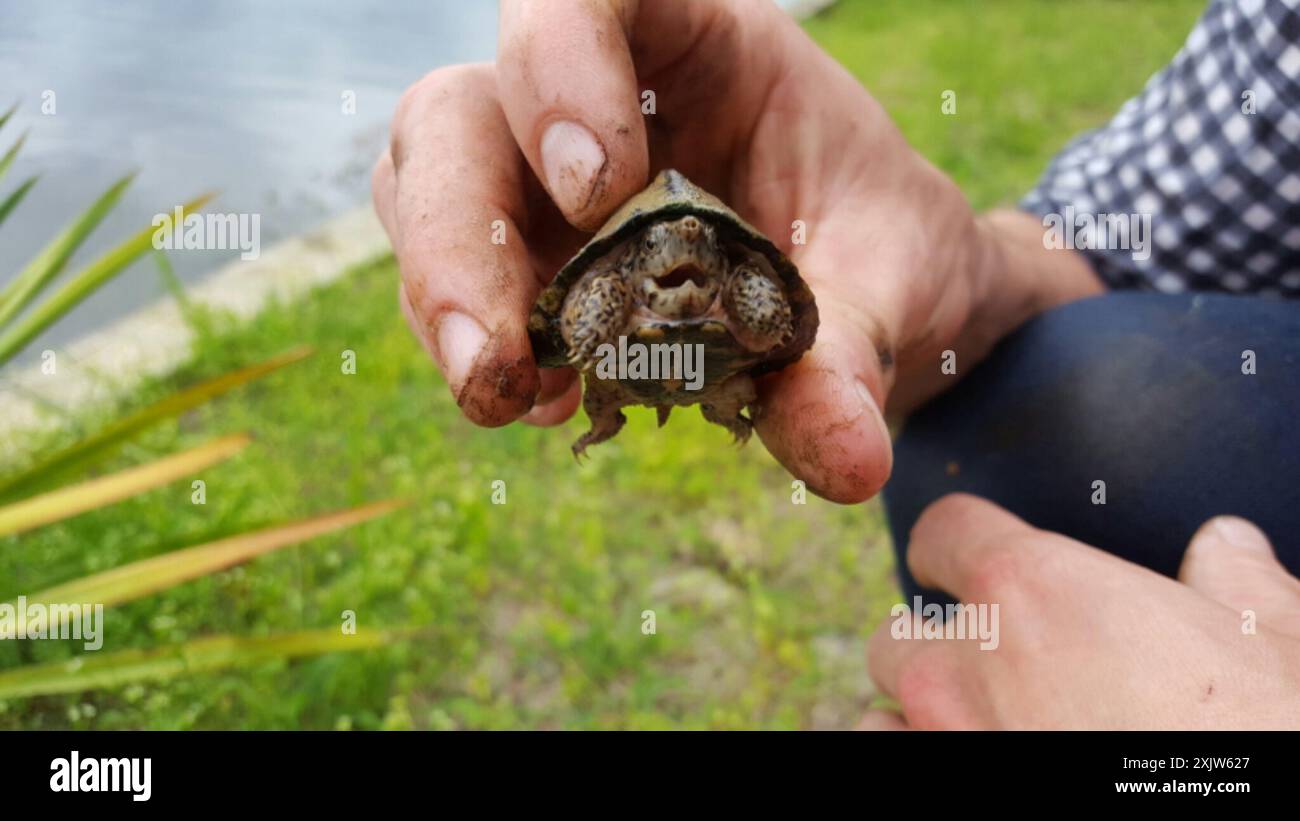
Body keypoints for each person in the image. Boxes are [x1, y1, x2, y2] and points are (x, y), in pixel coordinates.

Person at [371, 0, 1300, 728]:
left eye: (701, 247)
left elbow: (774, 315)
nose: (683, 254)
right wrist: (973, 273)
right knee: (1014, 411)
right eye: (668, 250)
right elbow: (1142, 239)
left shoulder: (744, 290)